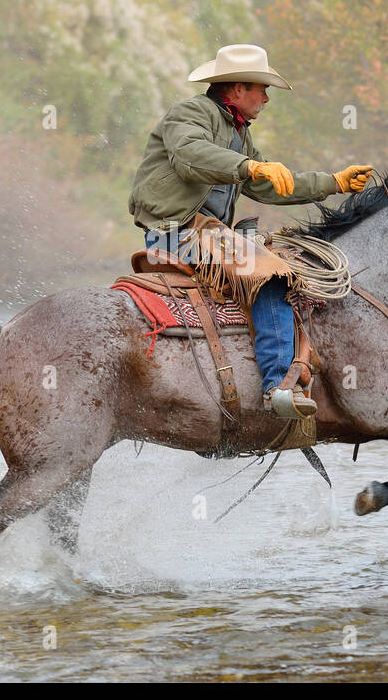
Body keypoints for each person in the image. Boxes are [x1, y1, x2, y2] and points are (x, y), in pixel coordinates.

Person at [127, 44, 372, 419]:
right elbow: (191, 157)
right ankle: (278, 387)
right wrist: (250, 167)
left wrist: (334, 182)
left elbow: (269, 185)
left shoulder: (238, 132)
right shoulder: (191, 113)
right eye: (262, 88)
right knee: (271, 276)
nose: (267, 98)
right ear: (237, 89)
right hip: (176, 234)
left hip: (205, 233)